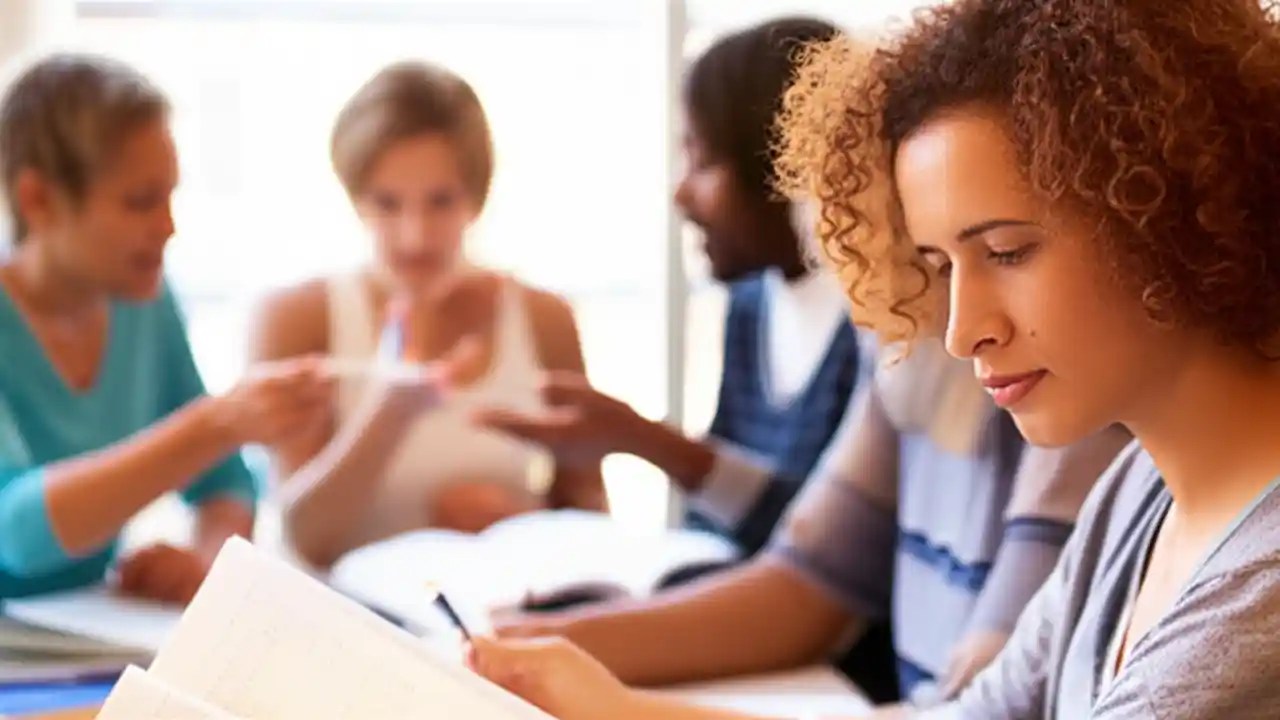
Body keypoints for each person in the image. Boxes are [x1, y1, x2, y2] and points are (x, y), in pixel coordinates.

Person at [470, 0, 1280, 717]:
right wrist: (613, 708)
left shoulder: (1252, 603)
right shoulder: (1142, 490)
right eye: (936, 265)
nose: (961, 332)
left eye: (1005, 250)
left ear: (1165, 208)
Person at [495, 337, 1128, 706]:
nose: (964, 325)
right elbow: (808, 578)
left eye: (1004, 250)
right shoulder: (908, 360)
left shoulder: (1071, 422)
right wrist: (532, 654)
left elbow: (979, 704)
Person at [479, 16, 860, 561]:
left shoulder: (871, 327)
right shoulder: (752, 304)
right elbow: (715, 531)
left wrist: (648, 442)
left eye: (703, 161)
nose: (680, 192)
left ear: (784, 168)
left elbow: (841, 555)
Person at [0, 54, 331, 604]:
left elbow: (224, 481)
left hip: (72, 645)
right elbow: (13, 530)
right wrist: (215, 424)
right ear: (39, 200)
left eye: (170, 195)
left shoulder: (140, 300)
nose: (168, 226)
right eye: (139, 202)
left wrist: (205, 563)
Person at [252, 61, 605, 570]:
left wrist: (519, 521)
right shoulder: (300, 317)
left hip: (499, 618)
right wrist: (394, 409)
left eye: (440, 201)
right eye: (387, 204)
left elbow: (591, 518)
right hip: (346, 624)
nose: (415, 236)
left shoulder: (544, 319)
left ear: (476, 194)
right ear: (355, 196)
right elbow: (304, 541)